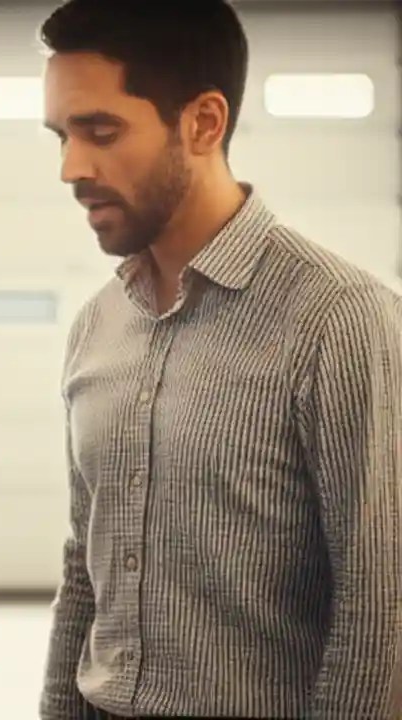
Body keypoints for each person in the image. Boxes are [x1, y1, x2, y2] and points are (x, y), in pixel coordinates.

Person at [36, 1, 402, 718]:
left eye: (101, 131)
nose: (71, 167)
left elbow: (380, 609)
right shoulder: (97, 325)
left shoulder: (339, 320)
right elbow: (86, 572)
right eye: (61, 136)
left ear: (203, 122)